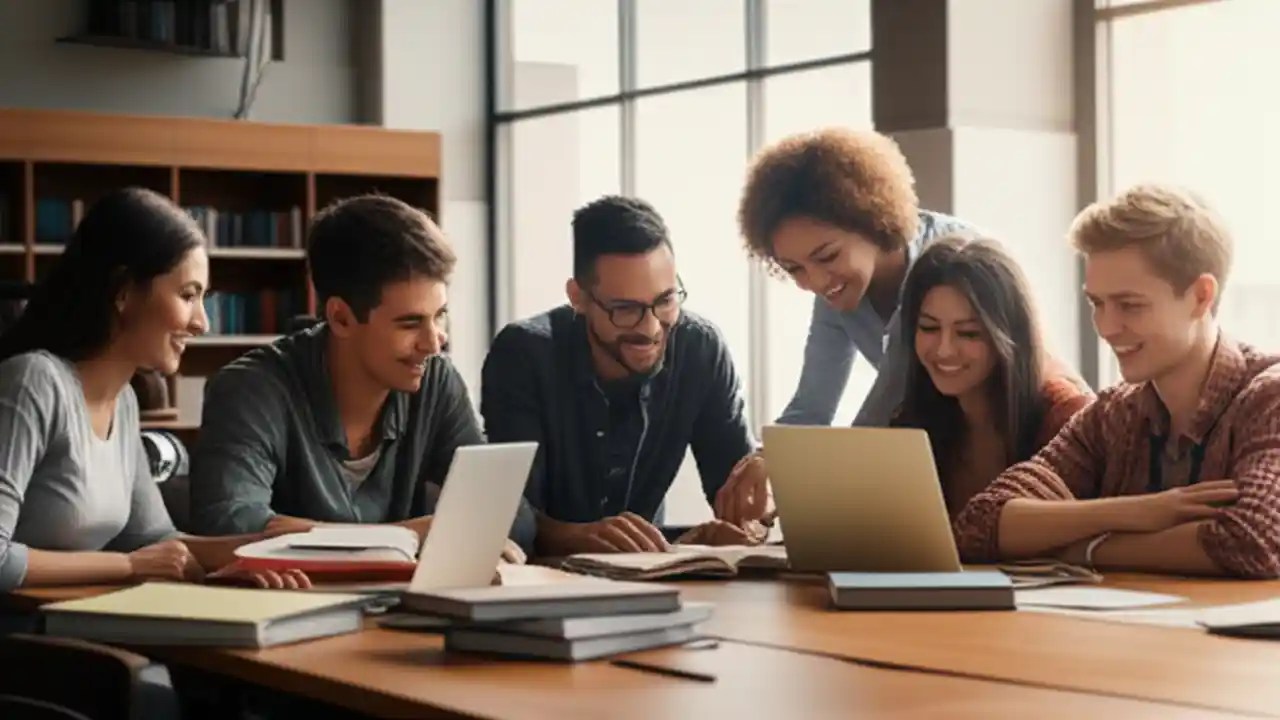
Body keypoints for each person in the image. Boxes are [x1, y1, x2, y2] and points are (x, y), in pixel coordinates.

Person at [953, 184, 1280, 578]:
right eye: (1097, 303)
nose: (1106, 327)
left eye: (1130, 305)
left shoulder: (1270, 398)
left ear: (1200, 296)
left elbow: (1255, 541)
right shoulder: (1114, 413)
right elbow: (981, 524)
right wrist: (1133, 512)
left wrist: (1085, 547)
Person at [189, 194, 535, 558]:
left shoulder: (436, 381)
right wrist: (409, 535)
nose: (434, 343)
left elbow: (514, 521)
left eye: (440, 316)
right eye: (410, 323)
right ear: (341, 318)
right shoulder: (250, 389)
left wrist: (312, 533)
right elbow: (228, 528)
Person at [0, 187, 308, 592]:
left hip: (83, 618)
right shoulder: (33, 383)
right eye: (187, 295)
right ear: (124, 292)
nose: (202, 323)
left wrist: (266, 550)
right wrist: (127, 566)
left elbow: (155, 541)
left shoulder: (124, 402)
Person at [480, 196, 763, 555]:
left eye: (665, 301)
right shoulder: (524, 354)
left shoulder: (700, 348)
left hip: (646, 571)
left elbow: (735, 487)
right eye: (625, 309)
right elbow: (512, 516)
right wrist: (576, 537)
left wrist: (745, 519)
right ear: (578, 297)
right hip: (538, 575)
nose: (650, 328)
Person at [719, 127, 973, 524]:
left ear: (871, 220)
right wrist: (765, 457)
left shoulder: (947, 260)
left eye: (827, 256)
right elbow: (812, 405)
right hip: (935, 448)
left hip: (1000, 446)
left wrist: (798, 473)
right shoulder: (838, 291)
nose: (815, 282)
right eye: (794, 269)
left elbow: (887, 402)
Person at [890, 235, 1093, 516]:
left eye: (968, 333)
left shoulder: (1065, 418)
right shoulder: (915, 424)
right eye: (929, 328)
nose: (944, 350)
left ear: (1009, 335)